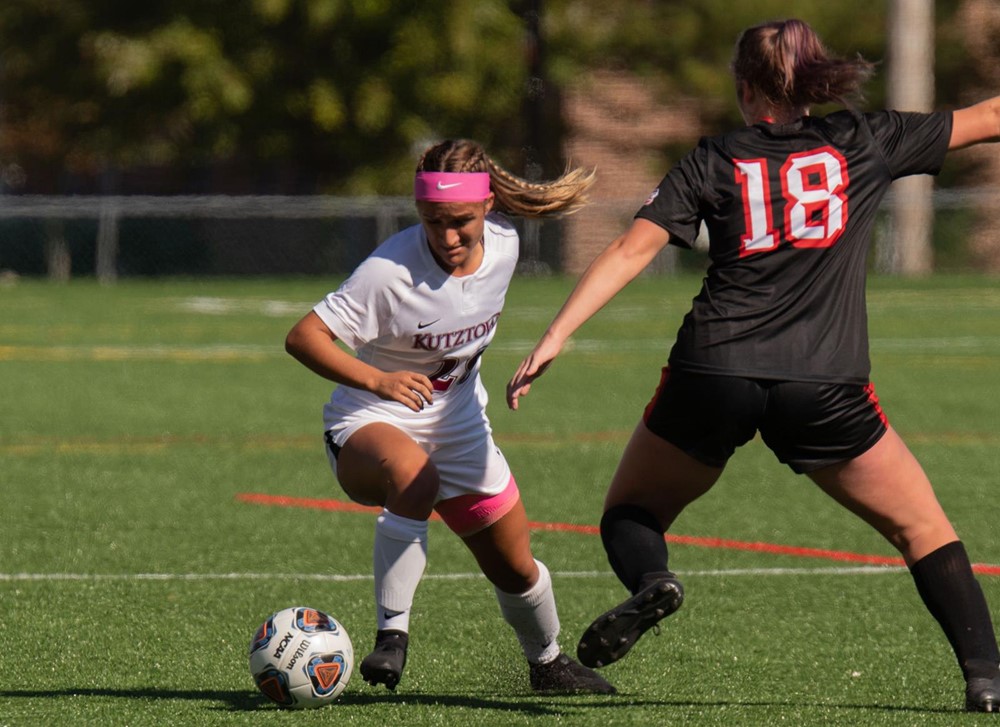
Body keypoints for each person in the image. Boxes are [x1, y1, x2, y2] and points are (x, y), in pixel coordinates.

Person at [507, 18, 1000, 712]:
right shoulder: (865, 139)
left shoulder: (715, 157)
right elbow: (991, 116)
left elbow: (630, 251)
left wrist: (555, 334)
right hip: (824, 384)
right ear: (814, 79)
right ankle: (985, 675)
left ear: (744, 87)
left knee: (632, 510)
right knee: (923, 530)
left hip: (714, 371)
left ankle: (653, 579)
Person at [285, 139, 614, 695]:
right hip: (370, 420)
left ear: (487, 207)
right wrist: (378, 380)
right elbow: (302, 337)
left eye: (460, 221)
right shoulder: (387, 273)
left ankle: (549, 665)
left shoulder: (507, 246)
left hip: (461, 429)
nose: (448, 236)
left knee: (516, 567)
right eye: (433, 221)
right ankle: (392, 637)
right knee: (416, 476)